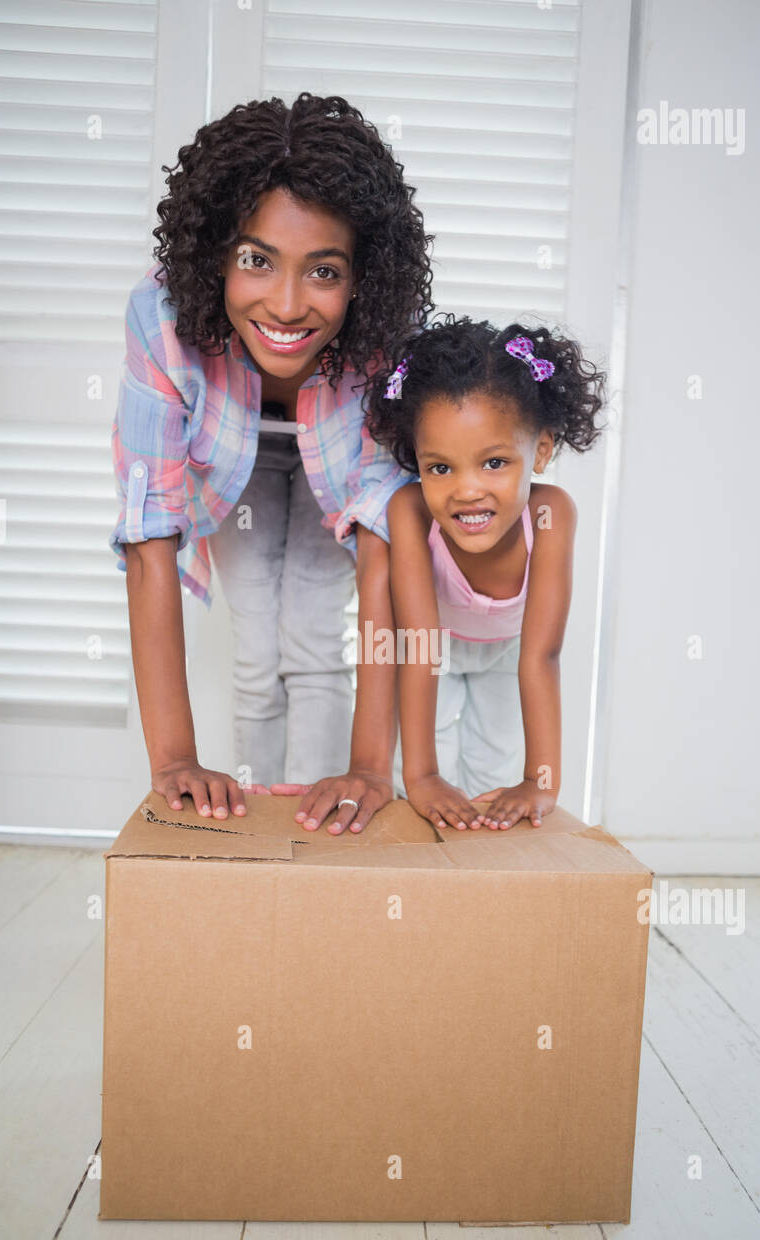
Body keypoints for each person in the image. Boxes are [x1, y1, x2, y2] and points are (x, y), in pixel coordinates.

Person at [110, 93, 430, 824]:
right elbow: (149, 529)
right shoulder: (160, 322)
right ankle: (260, 838)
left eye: (323, 271)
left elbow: (385, 533)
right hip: (228, 465)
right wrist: (174, 761)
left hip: (340, 463)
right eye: (257, 260)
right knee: (256, 650)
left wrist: (372, 769)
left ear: (363, 275)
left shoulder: (386, 343)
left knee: (315, 640)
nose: (286, 306)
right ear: (215, 251)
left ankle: (319, 835)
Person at [364, 315, 606, 832]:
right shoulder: (408, 510)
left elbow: (542, 653)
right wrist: (424, 774)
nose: (467, 490)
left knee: (494, 774)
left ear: (540, 450)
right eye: (441, 467)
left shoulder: (552, 514)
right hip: (437, 651)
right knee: (426, 786)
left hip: (510, 653)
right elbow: (419, 643)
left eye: (494, 463)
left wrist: (542, 781)